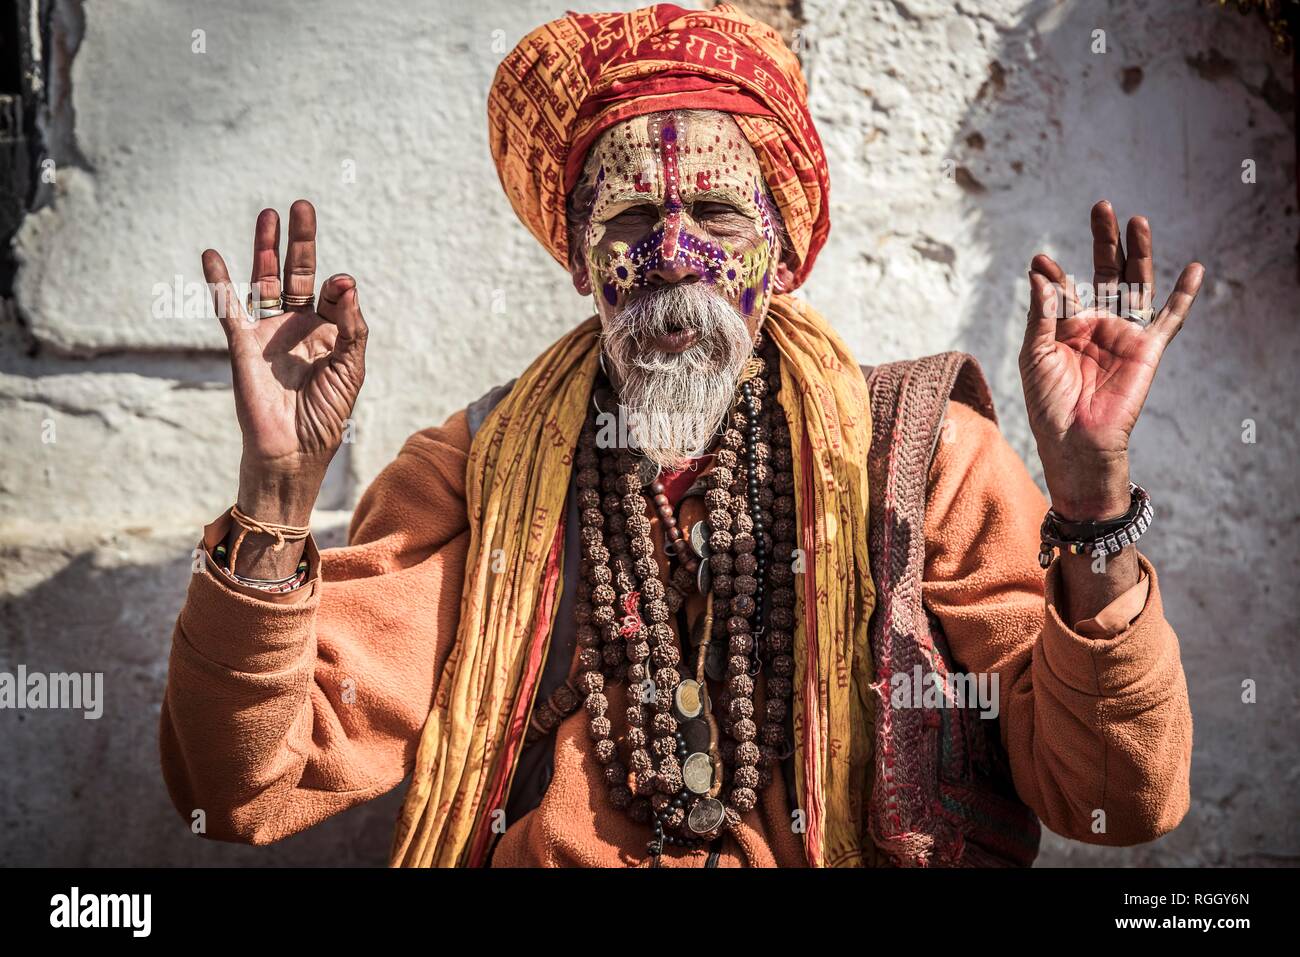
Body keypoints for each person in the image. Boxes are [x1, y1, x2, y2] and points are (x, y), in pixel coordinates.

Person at [160, 3, 1199, 868]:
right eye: (626, 223)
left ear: (782, 255)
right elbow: (238, 790)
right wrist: (276, 498)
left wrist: (1093, 502)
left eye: (716, 212)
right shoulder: (478, 470)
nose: (670, 254)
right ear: (576, 264)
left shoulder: (923, 461)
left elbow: (1115, 797)